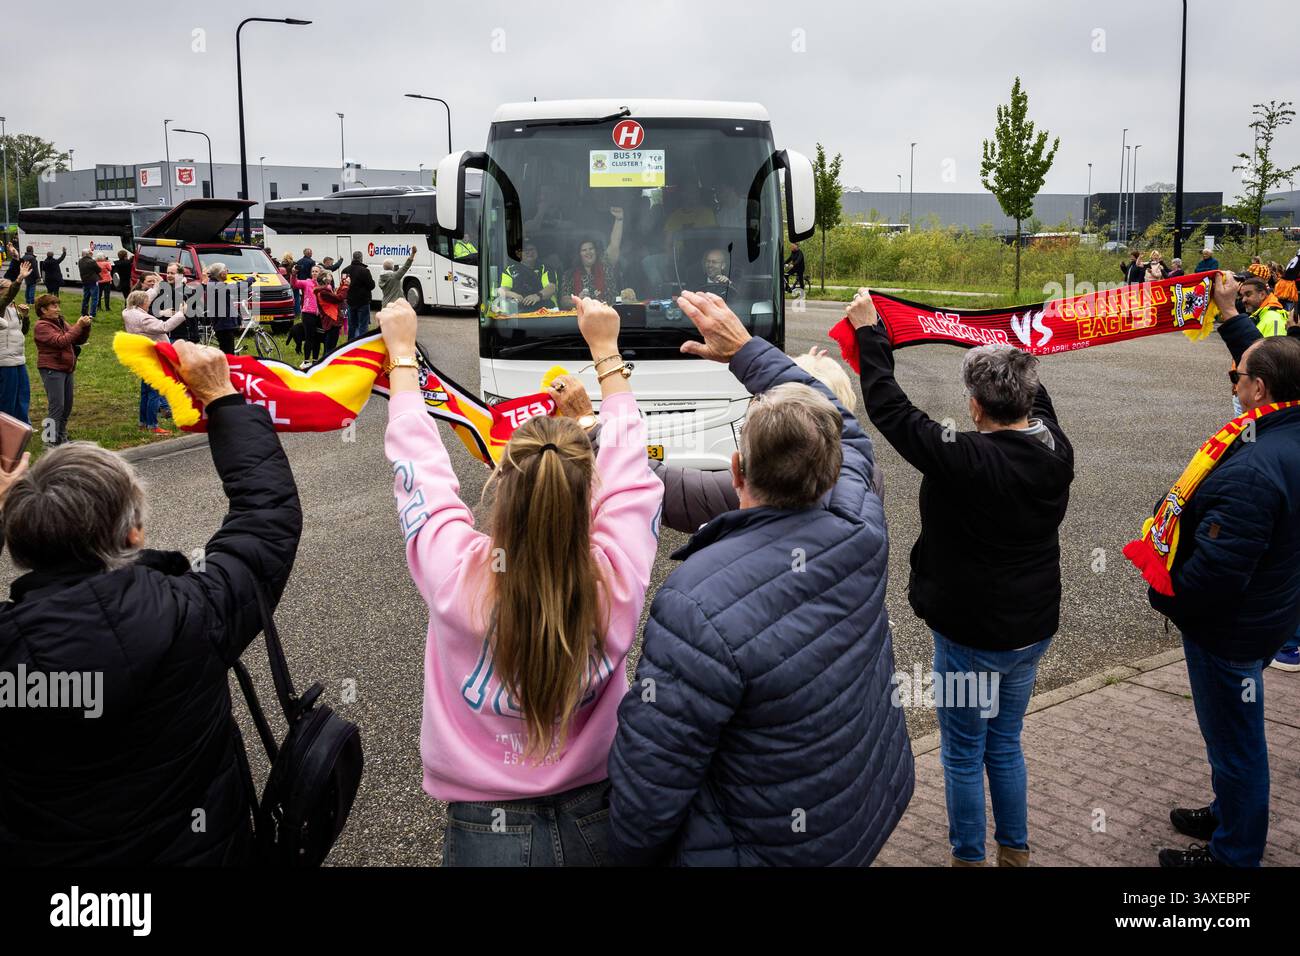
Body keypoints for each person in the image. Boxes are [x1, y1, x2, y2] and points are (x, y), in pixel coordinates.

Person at [605, 290, 913, 866]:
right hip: (857, 813)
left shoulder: (696, 603)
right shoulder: (858, 516)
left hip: (764, 848)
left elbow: (652, 780)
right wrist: (747, 350)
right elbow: (846, 427)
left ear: (736, 469)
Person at [379, 295, 661, 867]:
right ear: (589, 495)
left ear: (499, 492)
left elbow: (421, 474)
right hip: (601, 807)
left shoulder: (456, 572)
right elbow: (633, 478)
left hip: (485, 821)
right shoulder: (617, 577)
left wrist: (402, 355)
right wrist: (606, 352)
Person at [0, 340, 303, 864]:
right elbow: (265, 518)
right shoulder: (194, 611)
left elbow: (264, 518)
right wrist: (222, 398)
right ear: (134, 533)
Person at [849, 286, 1074, 866]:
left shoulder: (965, 457)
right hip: (1031, 627)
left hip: (971, 633)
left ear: (974, 406)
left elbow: (891, 410)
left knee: (962, 750)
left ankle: (969, 857)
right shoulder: (1055, 447)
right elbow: (1031, 394)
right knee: (1005, 743)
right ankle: (1014, 853)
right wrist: (1005, 338)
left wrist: (873, 333)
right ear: (1027, 397)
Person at [1152, 272, 1300, 867]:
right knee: (1232, 742)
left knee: (1237, 745)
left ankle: (1233, 856)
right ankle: (1229, 811)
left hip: (1229, 631)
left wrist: (1165, 594)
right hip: (1267, 614)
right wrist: (1230, 311)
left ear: (1258, 389)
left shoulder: (1253, 470)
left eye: (1237, 377)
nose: (1231, 381)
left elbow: (1214, 578)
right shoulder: (1286, 426)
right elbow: (1263, 358)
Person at [551, 343, 880, 535]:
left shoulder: (754, 488)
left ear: (737, 471)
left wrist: (588, 423)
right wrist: (812, 374)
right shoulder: (865, 477)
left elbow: (646, 479)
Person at [123, 288, 187, 433]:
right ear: (142, 303)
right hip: (154, 357)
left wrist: (156, 287)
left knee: (145, 392)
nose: (149, 303)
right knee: (154, 393)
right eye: (147, 302)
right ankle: (153, 425)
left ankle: (143, 423)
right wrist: (180, 313)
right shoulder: (143, 318)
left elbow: (145, 297)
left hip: (141, 356)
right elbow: (164, 327)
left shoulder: (127, 312)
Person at [32, 294, 92, 446]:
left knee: (66, 407)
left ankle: (61, 438)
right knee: (56, 408)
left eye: (57, 305)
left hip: (66, 368)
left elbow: (77, 339)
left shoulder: (59, 321)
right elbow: (61, 341)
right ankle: (49, 442)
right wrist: (78, 326)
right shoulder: (42, 326)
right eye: (54, 306)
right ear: (43, 310)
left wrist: (85, 327)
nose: (58, 309)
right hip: (52, 369)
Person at [560, 215, 629, 308]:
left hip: (608, 315)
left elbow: (614, 244)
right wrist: (577, 300)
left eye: (591, 248)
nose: (588, 252)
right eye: (584, 250)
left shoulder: (606, 266)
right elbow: (564, 301)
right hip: (582, 318)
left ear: (596, 251)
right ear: (579, 254)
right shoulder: (569, 275)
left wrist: (619, 219)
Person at [0, 261, 33, 423]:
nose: (11, 292)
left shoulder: (13, 309)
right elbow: (8, 297)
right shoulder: (1, 307)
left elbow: (23, 332)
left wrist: (25, 316)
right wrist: (19, 279)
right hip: (4, 361)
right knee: (8, 399)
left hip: (19, 359)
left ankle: (22, 426)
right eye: (8, 288)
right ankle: (7, 429)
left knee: (23, 395)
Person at [203, 263, 250, 355]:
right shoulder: (216, 286)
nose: (228, 271)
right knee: (228, 354)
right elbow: (237, 287)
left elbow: (229, 305)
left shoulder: (216, 284)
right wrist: (250, 279)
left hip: (225, 324)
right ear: (221, 274)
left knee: (228, 351)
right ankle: (225, 369)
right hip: (223, 325)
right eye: (225, 269)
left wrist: (238, 319)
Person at [498, 240, 557, 311]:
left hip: (546, 310)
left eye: (532, 249)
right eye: (525, 250)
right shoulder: (509, 270)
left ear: (537, 252)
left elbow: (551, 288)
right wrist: (513, 295)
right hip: (518, 313)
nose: (529, 252)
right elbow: (503, 290)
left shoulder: (546, 269)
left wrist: (537, 296)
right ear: (518, 254)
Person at [291, 265, 322, 368]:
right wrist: (294, 274)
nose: (314, 273)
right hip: (308, 313)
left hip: (320, 315)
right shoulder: (307, 282)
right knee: (309, 338)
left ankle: (315, 360)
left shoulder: (323, 285)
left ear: (320, 273)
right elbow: (295, 284)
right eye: (312, 271)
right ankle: (306, 361)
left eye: (316, 271)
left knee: (317, 338)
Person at [342, 250, 375, 340]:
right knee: (363, 325)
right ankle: (361, 343)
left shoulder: (345, 270)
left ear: (353, 258)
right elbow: (371, 286)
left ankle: (350, 343)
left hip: (350, 301)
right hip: (363, 302)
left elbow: (343, 285)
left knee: (352, 324)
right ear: (361, 259)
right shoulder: (365, 271)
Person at [315, 270, 348, 355]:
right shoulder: (323, 292)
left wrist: (342, 286)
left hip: (329, 320)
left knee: (328, 346)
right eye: (330, 275)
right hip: (332, 320)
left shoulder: (323, 290)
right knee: (330, 348)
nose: (331, 277)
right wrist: (346, 286)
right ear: (324, 279)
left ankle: (323, 364)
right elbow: (339, 298)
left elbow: (336, 296)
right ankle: (326, 365)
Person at [76, 248, 100, 316]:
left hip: (85, 281)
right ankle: (92, 314)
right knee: (94, 298)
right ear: (88, 254)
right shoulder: (91, 261)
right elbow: (98, 270)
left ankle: (84, 312)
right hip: (93, 281)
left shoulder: (80, 261)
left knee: (85, 297)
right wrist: (92, 258)